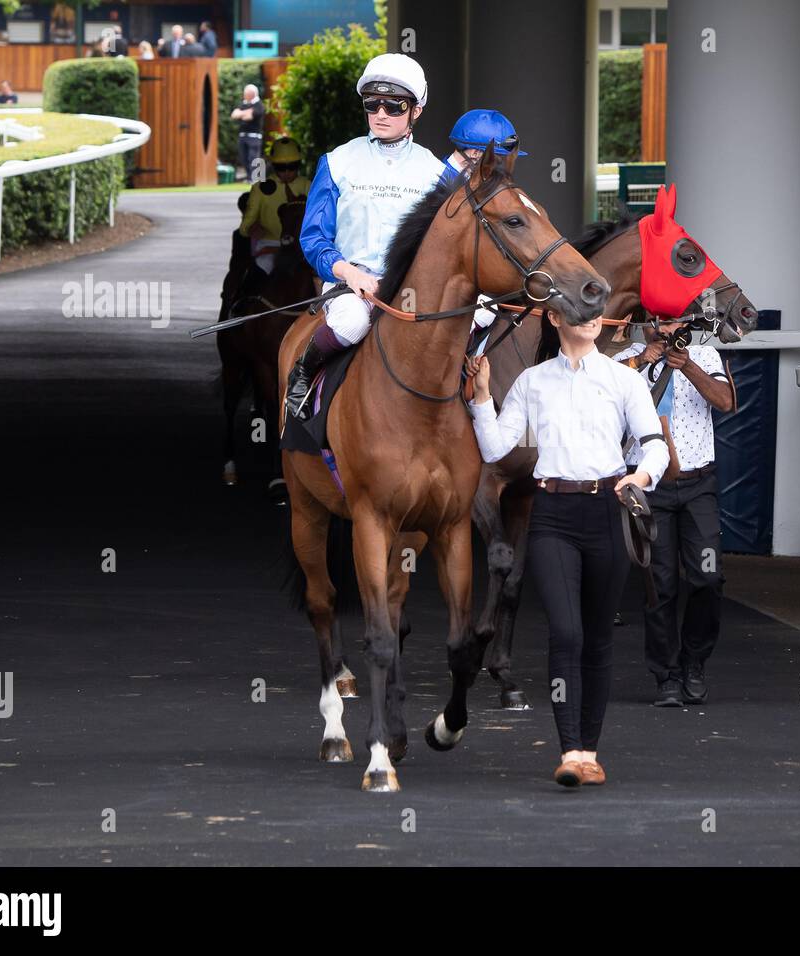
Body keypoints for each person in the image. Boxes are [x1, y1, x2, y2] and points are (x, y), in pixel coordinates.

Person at [466, 313, 669, 788]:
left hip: (609, 512)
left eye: (598, 307)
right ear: (556, 317)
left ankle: (590, 752)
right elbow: (495, 448)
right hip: (553, 514)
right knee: (566, 631)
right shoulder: (533, 382)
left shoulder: (624, 378)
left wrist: (640, 477)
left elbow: (654, 445)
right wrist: (480, 397)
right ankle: (570, 751)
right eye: (581, 307)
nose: (593, 317)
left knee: (598, 637)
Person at [286, 52, 445, 420]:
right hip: (350, 285)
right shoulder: (336, 162)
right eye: (372, 104)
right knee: (350, 324)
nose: (380, 114)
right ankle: (304, 372)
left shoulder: (437, 173)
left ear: (415, 111)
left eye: (394, 106)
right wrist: (349, 273)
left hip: (411, 290)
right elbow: (313, 238)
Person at [614, 321, 735, 707]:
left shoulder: (704, 354)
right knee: (658, 586)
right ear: (646, 322)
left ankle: (694, 663)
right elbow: (600, 404)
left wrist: (688, 367)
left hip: (699, 485)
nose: (668, 328)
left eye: (675, 320)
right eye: (660, 320)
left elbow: (726, 401)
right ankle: (665, 675)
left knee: (708, 577)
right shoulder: (622, 362)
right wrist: (637, 361)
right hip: (650, 488)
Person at [239, 137, 311, 274]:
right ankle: (249, 295)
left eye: (292, 166)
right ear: (273, 166)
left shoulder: (310, 186)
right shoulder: (259, 188)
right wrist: (251, 228)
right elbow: (244, 227)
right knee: (261, 270)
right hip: (270, 245)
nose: (287, 172)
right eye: (281, 167)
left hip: (303, 247)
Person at [441, 108, 526, 184]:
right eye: (496, 158)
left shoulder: (475, 184)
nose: (498, 166)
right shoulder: (436, 182)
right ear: (475, 153)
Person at [230, 84, 265, 182]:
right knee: (243, 158)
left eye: (246, 93)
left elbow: (249, 116)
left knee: (253, 158)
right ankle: (250, 178)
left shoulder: (259, 105)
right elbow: (234, 114)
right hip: (243, 136)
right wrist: (245, 112)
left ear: (252, 94)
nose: (244, 95)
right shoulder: (243, 104)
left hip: (254, 136)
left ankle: (256, 179)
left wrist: (241, 113)